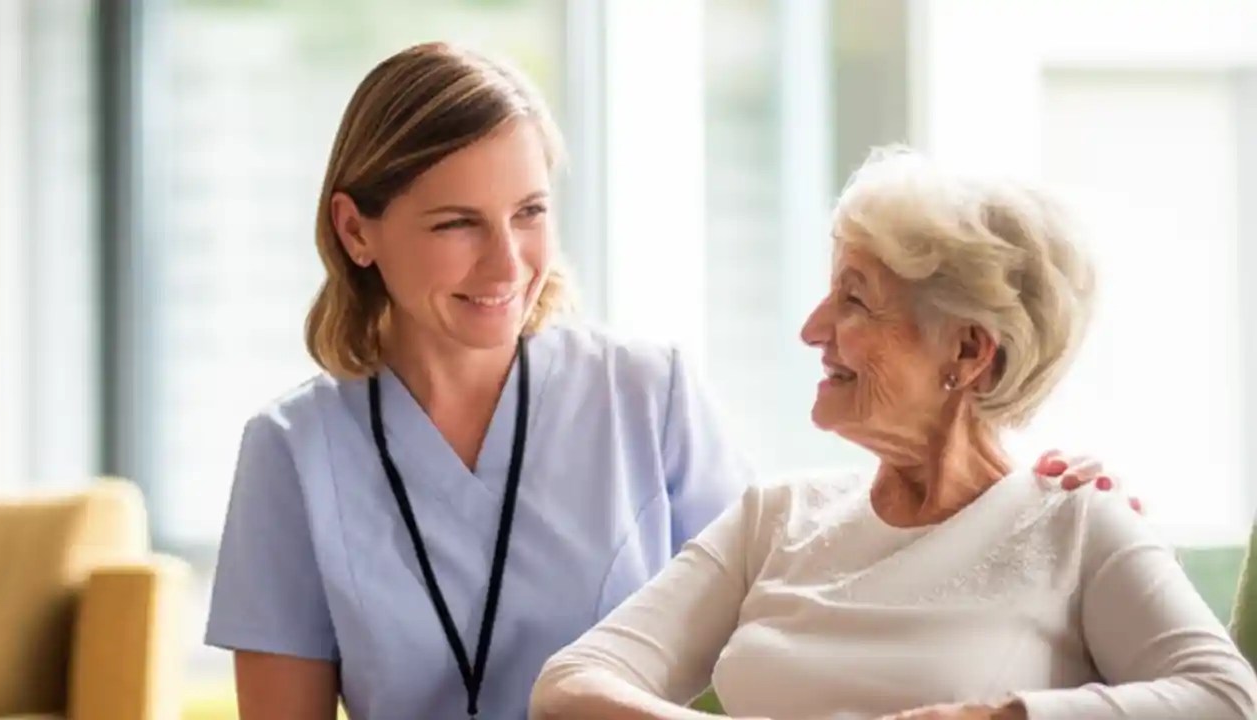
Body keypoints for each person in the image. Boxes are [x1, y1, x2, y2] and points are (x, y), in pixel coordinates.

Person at [204, 44, 1122, 720]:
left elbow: (820, 577)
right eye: (455, 223)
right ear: (357, 231)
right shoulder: (292, 453)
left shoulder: (646, 394)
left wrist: (1021, 495)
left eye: (529, 212)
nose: (506, 262)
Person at [529, 148, 1257, 720]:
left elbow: (1226, 700)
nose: (813, 329)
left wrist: (999, 718)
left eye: (855, 299)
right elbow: (567, 688)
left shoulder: (1078, 522)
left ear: (970, 352)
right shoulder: (775, 517)